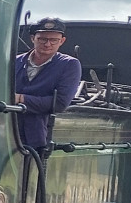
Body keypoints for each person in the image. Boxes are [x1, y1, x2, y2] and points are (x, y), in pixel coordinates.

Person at [14, 17, 81, 152]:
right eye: (42, 39)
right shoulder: (14, 61)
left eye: (53, 40)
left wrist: (20, 99)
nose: (47, 44)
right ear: (32, 38)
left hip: (37, 138)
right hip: (5, 131)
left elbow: (60, 103)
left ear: (62, 41)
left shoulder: (69, 65)